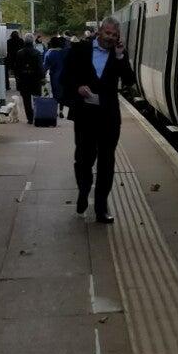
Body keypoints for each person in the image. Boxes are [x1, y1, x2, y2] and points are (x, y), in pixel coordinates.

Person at [62, 16, 135, 222]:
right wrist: (78, 88)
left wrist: (121, 58)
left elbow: (129, 81)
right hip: (85, 115)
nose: (110, 38)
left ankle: (101, 207)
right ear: (100, 31)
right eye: (107, 33)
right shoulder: (79, 50)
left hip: (109, 117)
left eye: (114, 35)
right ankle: (84, 191)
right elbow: (64, 78)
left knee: (107, 161)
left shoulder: (118, 54)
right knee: (84, 159)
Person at [14, 32, 45, 125]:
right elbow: (40, 67)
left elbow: (16, 68)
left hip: (23, 79)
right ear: (32, 41)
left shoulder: (19, 53)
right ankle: (37, 116)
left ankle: (30, 118)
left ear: (24, 41)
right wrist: (42, 77)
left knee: (26, 100)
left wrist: (17, 78)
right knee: (36, 98)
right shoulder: (37, 53)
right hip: (35, 79)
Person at [42, 34, 70, 114]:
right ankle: (61, 111)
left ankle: (55, 111)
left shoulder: (49, 53)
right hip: (65, 75)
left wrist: (41, 75)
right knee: (62, 93)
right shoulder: (65, 52)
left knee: (55, 93)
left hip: (54, 76)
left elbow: (45, 66)